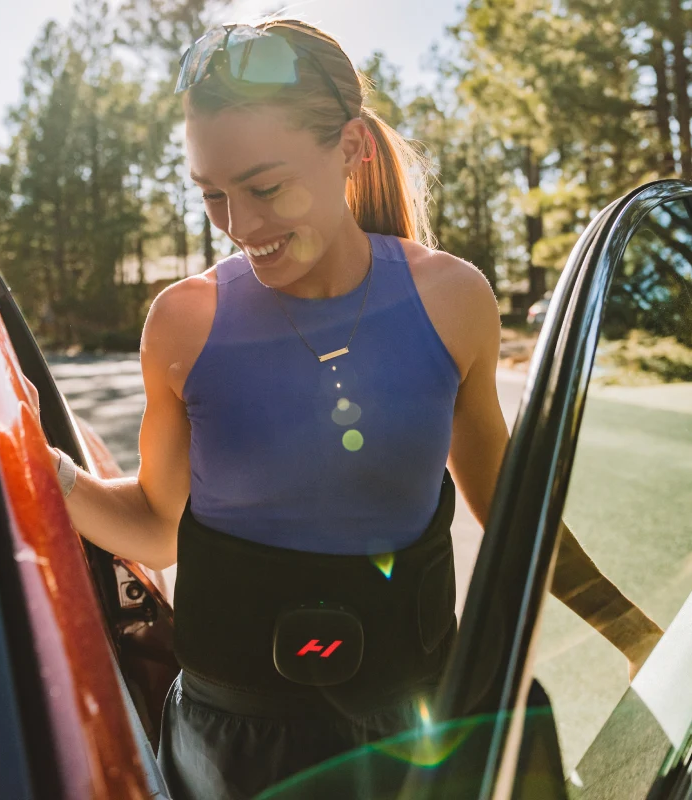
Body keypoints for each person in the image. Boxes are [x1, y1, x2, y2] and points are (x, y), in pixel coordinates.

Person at [46, 19, 663, 799]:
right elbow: (157, 528)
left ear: (350, 149)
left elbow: (516, 512)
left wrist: (633, 634)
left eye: (265, 187)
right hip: (230, 748)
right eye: (211, 195)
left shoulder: (451, 299)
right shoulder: (183, 321)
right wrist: (45, 473)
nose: (239, 226)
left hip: (410, 733)